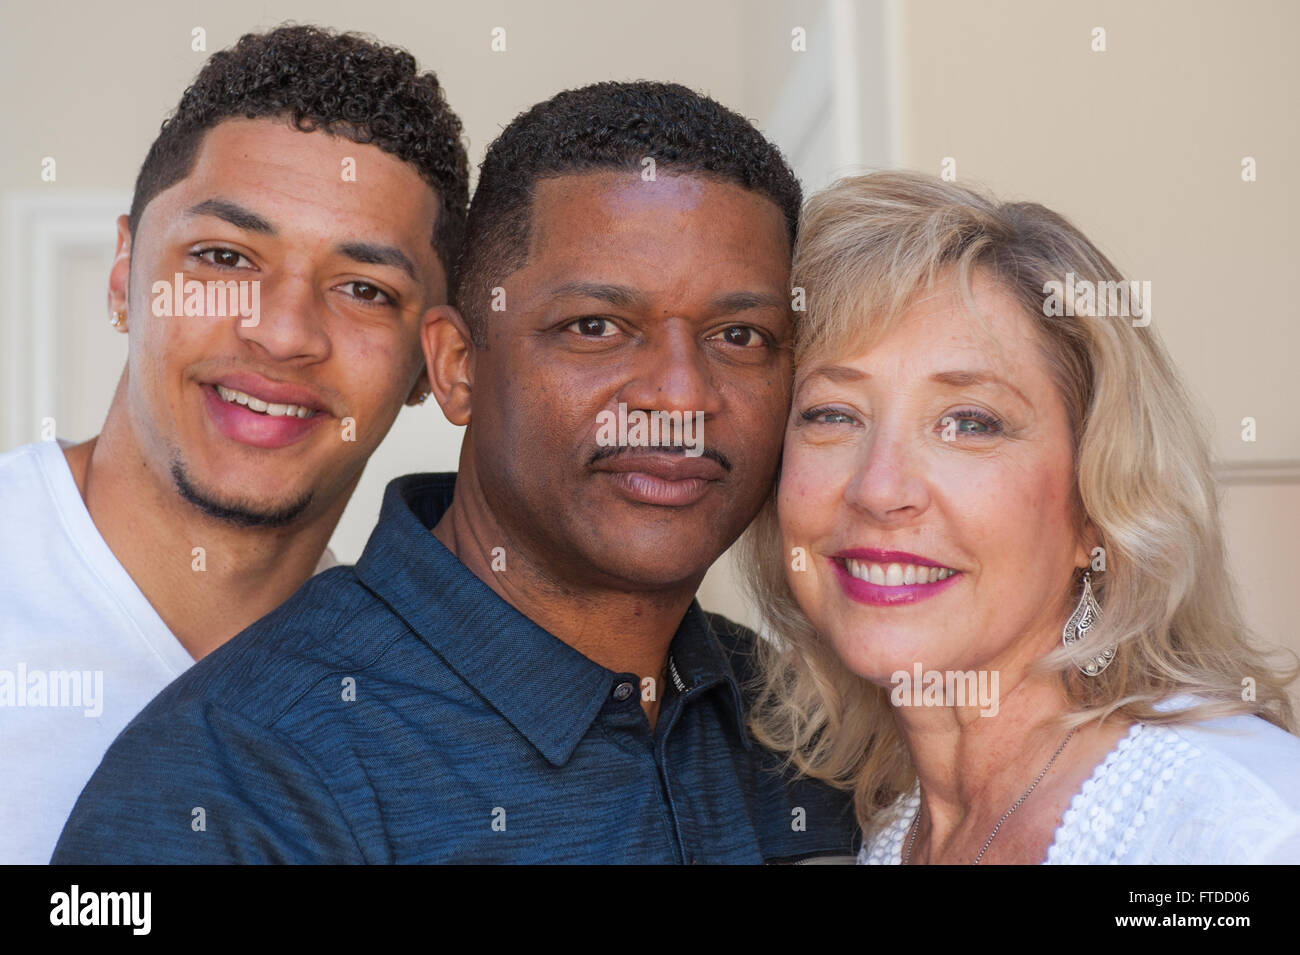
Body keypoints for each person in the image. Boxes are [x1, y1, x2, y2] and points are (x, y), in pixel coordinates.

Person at [52, 81, 860, 864]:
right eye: (596, 326)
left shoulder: (801, 715)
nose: (681, 394)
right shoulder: (234, 773)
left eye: (741, 336)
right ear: (458, 365)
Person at [0, 24, 468, 864]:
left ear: (430, 364)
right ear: (123, 273)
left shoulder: (410, 713)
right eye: (223, 256)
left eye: (364, 288)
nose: (284, 333)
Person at [740, 170, 1300, 864]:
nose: (879, 489)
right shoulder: (885, 833)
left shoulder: (1240, 828)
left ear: (1096, 507)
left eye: (969, 422)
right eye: (832, 414)